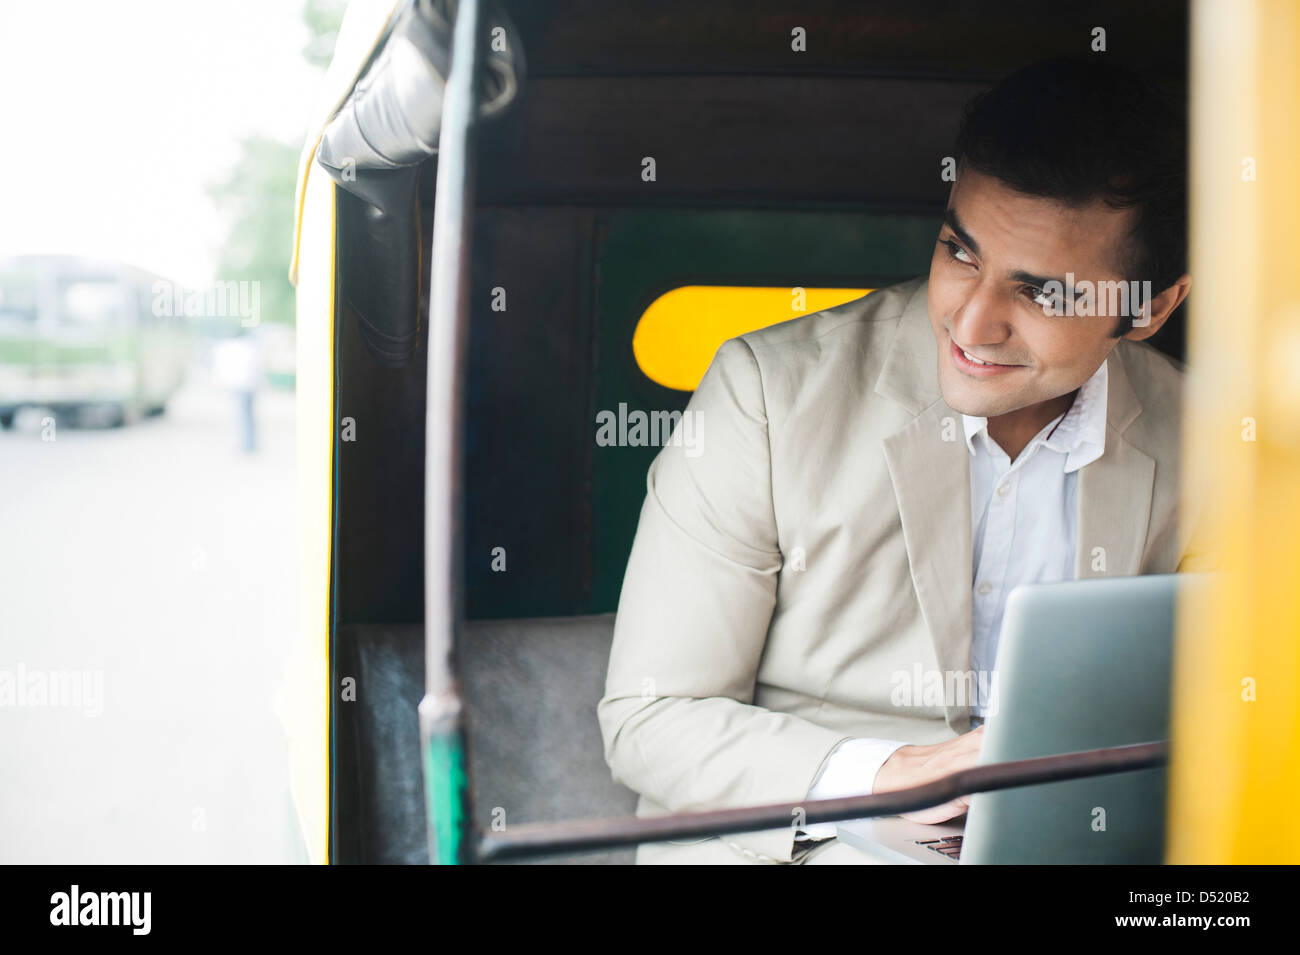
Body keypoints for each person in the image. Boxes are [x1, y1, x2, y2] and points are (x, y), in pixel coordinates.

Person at [597, 58, 1216, 865]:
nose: (972, 320)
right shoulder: (766, 392)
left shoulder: (1213, 439)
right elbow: (651, 717)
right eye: (961, 252)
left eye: (1042, 293)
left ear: (1152, 308)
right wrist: (873, 782)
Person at [212, 329, 264, 454]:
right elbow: (257, 367)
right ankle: (249, 444)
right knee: (248, 416)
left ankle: (245, 445)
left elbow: (221, 368)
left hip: (237, 386)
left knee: (241, 416)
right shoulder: (250, 347)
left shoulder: (228, 347)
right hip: (250, 385)